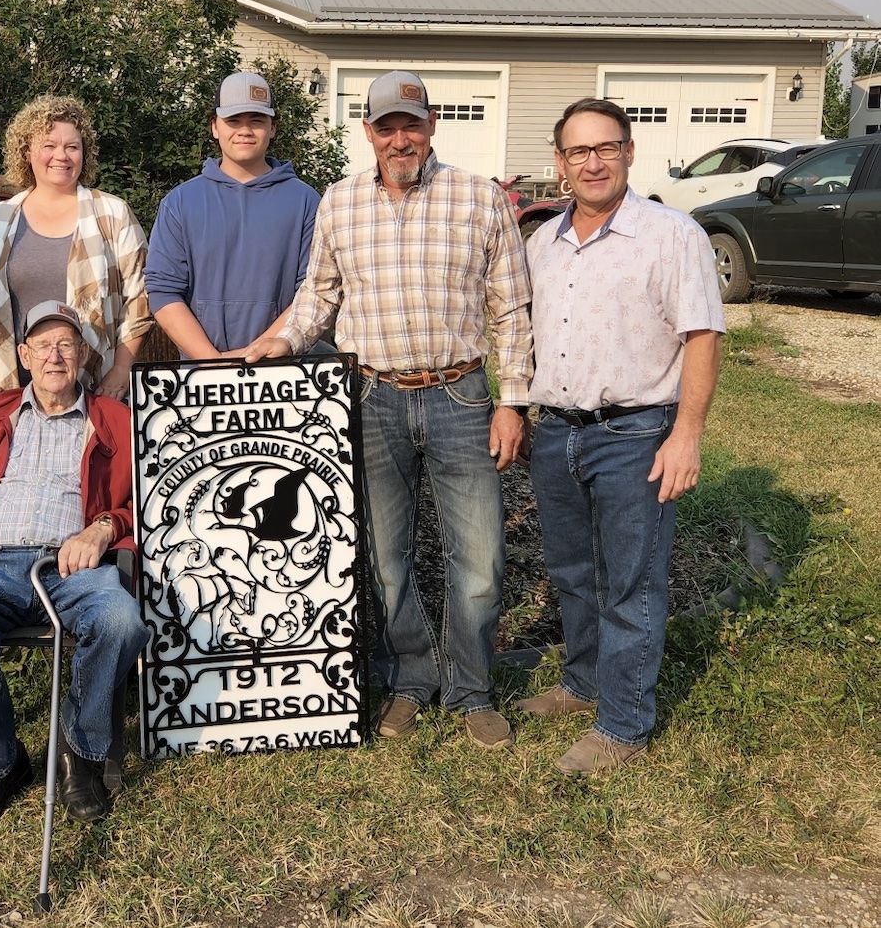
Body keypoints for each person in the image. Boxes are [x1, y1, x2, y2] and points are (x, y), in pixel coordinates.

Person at [246, 70, 532, 749]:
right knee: (385, 557)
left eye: (411, 123)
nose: (399, 137)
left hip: (462, 393)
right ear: (368, 132)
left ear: (432, 124)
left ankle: (471, 687)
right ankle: (412, 676)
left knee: (481, 557)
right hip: (372, 397)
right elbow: (320, 296)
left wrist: (513, 401)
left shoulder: (479, 199)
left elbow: (512, 307)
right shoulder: (339, 203)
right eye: (386, 125)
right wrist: (279, 341)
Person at [520, 98, 724, 775]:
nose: (593, 162)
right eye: (578, 151)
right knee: (575, 576)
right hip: (557, 433)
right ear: (559, 164)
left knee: (631, 583)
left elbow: (702, 335)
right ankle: (582, 685)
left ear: (629, 151)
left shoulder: (672, 235)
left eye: (605, 147)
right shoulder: (541, 244)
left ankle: (624, 723)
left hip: (635, 433)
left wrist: (685, 434)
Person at [0, 300, 149, 832]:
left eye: (66, 344)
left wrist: (105, 527)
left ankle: (79, 753)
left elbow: (152, 502)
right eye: (43, 345)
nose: (55, 355)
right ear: (24, 355)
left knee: (121, 622)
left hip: (70, 565)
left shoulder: (115, 419)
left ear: (85, 354)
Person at [0, 96, 152, 399]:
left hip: (96, 387)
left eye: (72, 147)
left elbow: (141, 299)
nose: (62, 156)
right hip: (9, 388)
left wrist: (121, 371)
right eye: (49, 146)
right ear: (26, 152)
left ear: (85, 154)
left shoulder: (113, 213)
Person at [145, 71, 320, 358]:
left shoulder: (306, 201)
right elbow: (164, 291)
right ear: (214, 127)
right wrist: (212, 362)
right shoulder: (179, 203)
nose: (245, 130)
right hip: (202, 379)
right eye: (233, 120)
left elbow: (312, 291)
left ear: (272, 128)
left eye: (257, 121)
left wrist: (254, 353)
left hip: (285, 375)